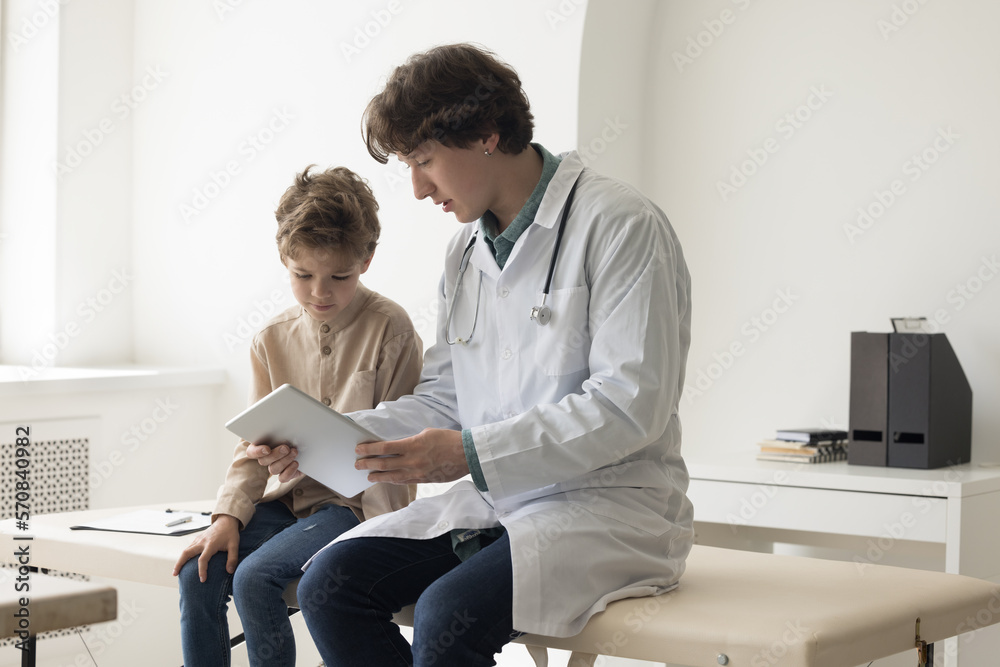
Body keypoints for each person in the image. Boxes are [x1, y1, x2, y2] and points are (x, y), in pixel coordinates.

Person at [255, 43, 694, 666]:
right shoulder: (465, 253)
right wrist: (324, 437)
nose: (414, 188)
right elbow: (446, 397)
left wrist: (468, 453)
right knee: (330, 586)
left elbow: (630, 406)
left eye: (424, 160)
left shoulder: (620, 225)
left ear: (486, 135)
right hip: (504, 504)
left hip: (611, 508)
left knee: (445, 618)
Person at [172, 165, 422, 667]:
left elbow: (403, 445)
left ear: (367, 260)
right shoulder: (270, 338)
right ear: (284, 260)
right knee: (198, 570)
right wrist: (227, 516)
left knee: (256, 577)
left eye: (339, 276)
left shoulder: (391, 329)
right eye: (302, 275)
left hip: (352, 509)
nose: (319, 293)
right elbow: (253, 443)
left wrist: (376, 533)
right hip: (286, 502)